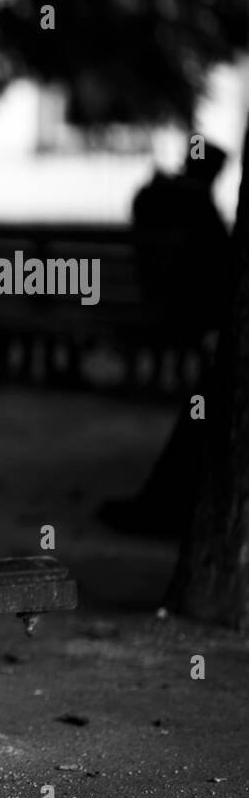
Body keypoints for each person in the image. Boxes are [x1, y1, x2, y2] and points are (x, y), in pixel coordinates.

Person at [98, 146, 232, 538]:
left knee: (201, 406)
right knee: (204, 404)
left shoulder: (160, 196)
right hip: (193, 313)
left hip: (165, 308)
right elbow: (219, 266)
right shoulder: (196, 207)